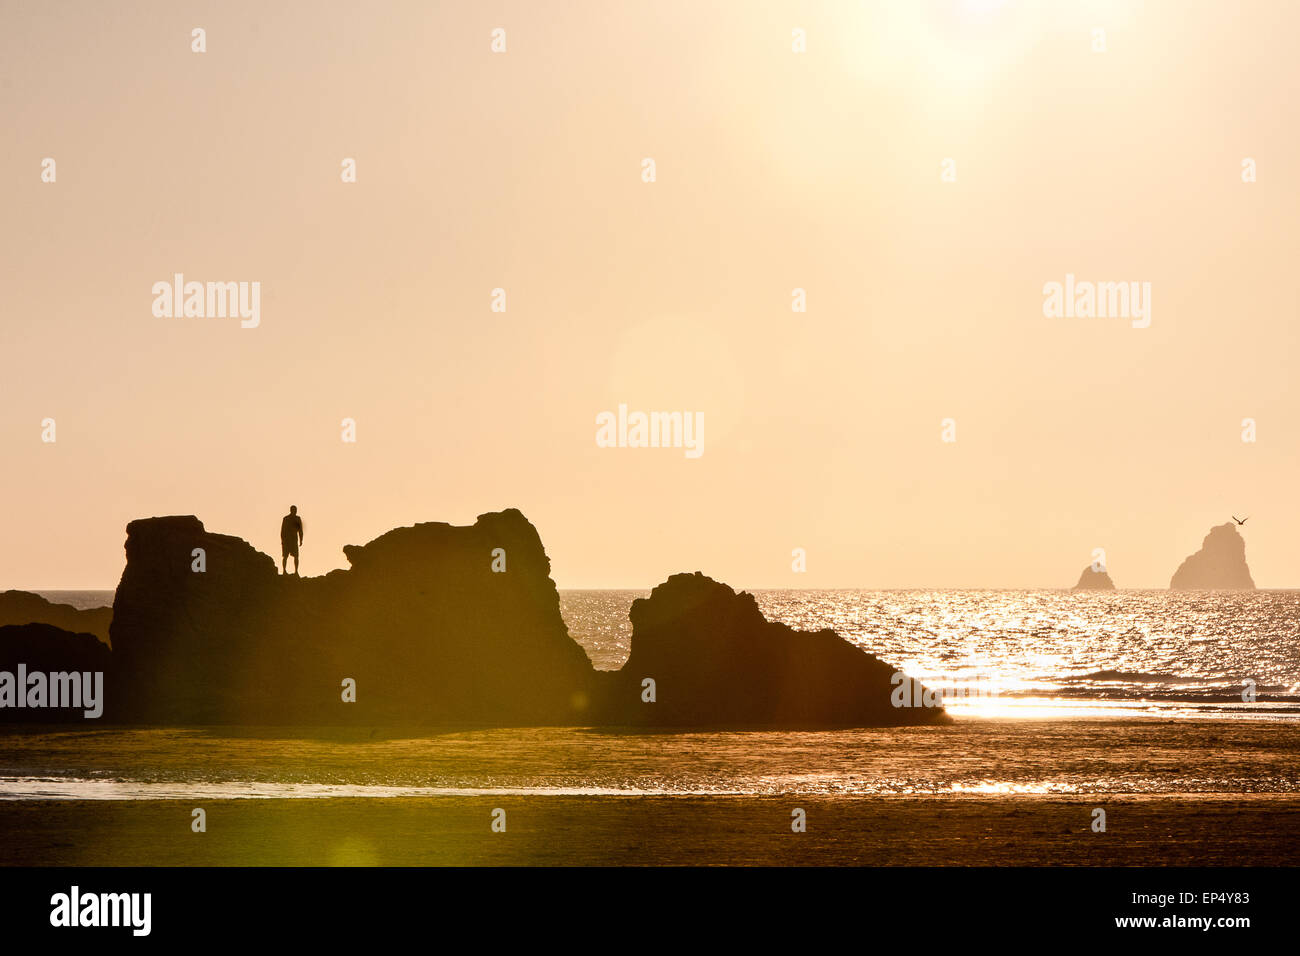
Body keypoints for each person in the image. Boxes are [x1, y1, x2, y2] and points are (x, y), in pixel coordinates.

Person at [280, 505, 304, 576]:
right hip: (287, 540)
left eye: (295, 510)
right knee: (285, 556)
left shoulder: (297, 519)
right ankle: (284, 571)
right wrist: (283, 540)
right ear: (291, 510)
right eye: (294, 510)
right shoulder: (286, 519)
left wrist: (301, 540)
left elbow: (300, 530)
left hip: (293, 540)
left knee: (296, 556)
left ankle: (296, 571)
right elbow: (282, 531)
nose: (295, 511)